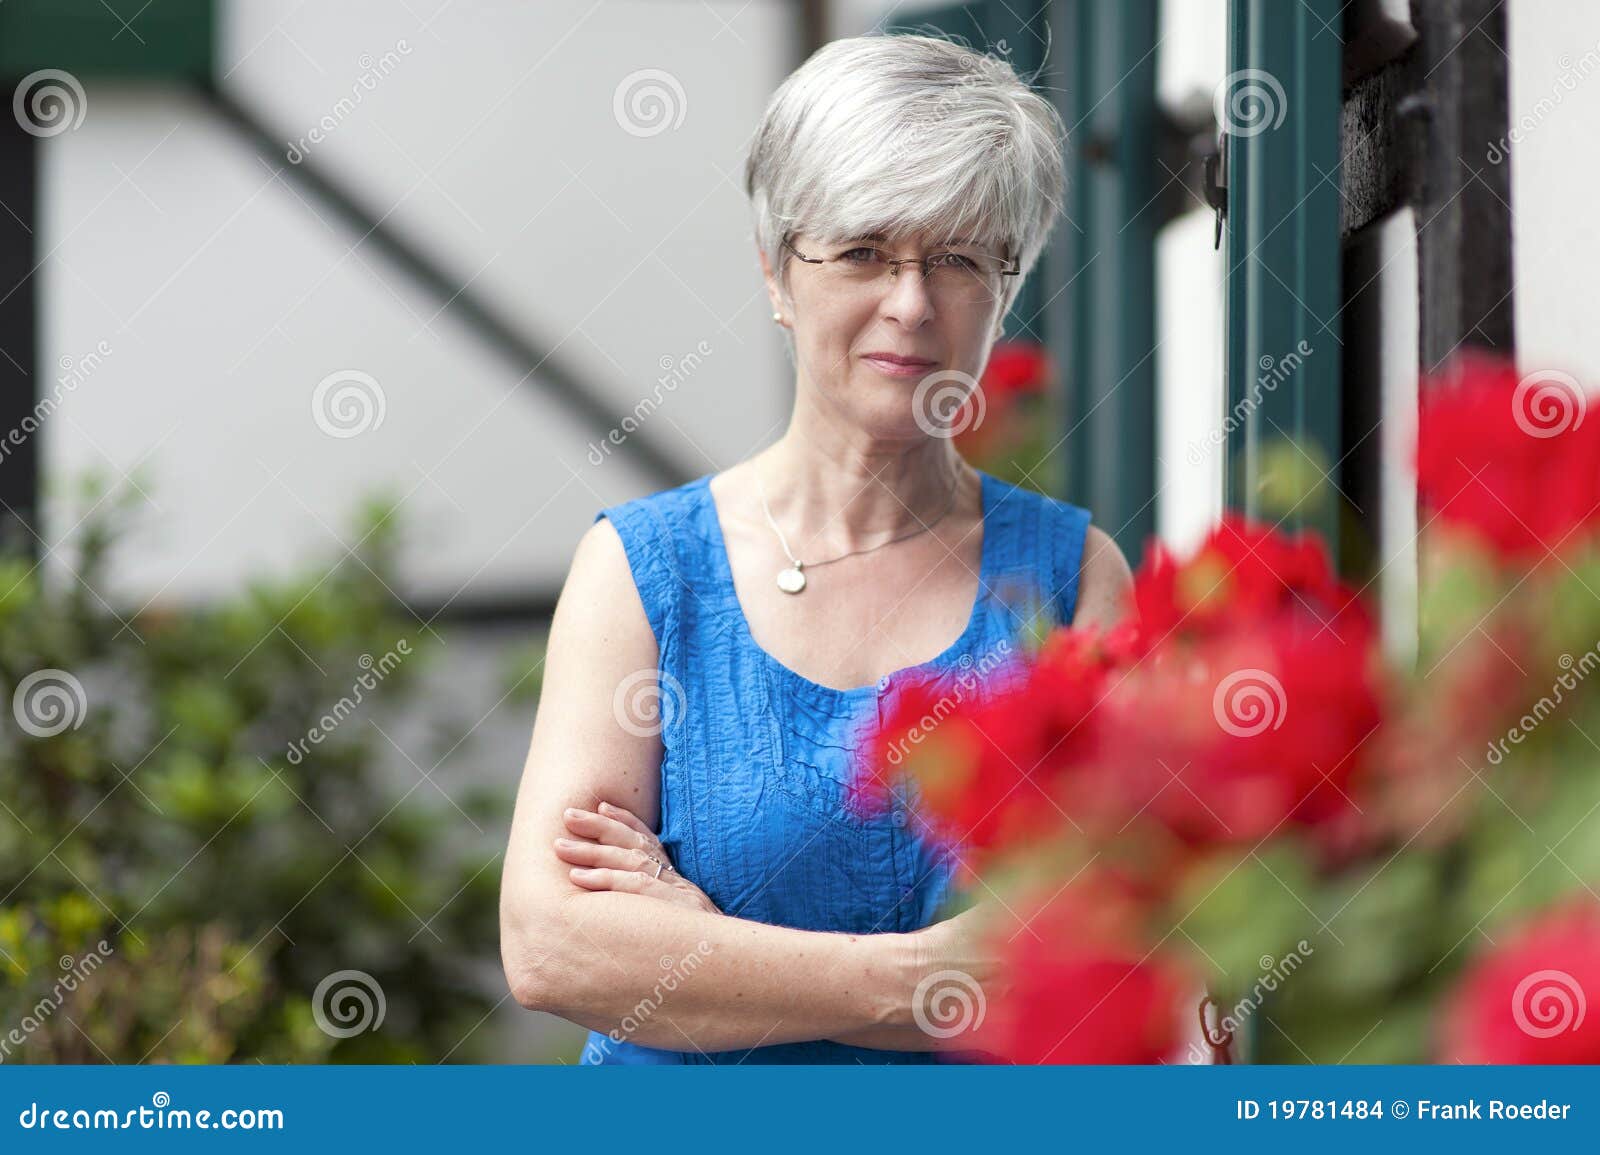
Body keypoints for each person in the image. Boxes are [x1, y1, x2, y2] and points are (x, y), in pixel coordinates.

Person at [500, 31, 1133, 1064]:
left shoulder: (1069, 581)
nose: (912, 303)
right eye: (862, 252)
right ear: (777, 275)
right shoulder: (646, 573)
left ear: (1003, 293)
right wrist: (923, 982)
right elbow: (550, 950)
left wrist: (699, 946)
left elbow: (1108, 949)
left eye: (959, 260)